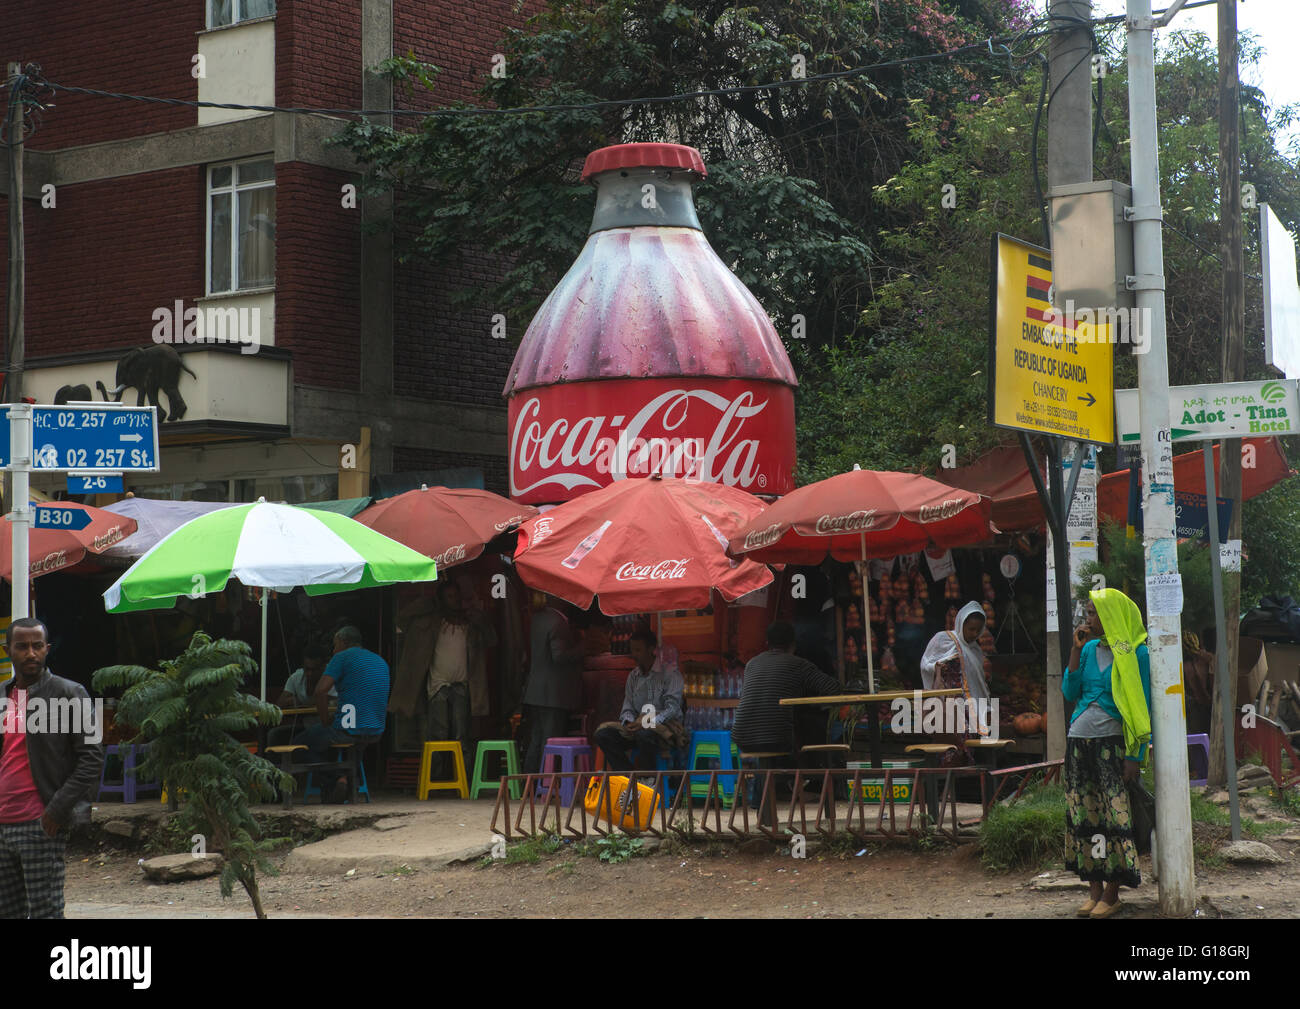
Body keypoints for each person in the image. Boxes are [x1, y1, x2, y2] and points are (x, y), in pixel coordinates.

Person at [0, 618, 104, 918]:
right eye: (22, 647)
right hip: (2, 827)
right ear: (8, 650)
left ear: (47, 649)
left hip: (40, 824)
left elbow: (92, 757)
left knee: (46, 912)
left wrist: (57, 810)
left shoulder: (69, 693)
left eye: (37, 646)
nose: (30, 653)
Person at [1063, 588, 1152, 919]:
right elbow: (1070, 692)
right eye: (1087, 613)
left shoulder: (1135, 653)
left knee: (1116, 820)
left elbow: (1143, 708)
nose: (1088, 619)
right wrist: (1074, 650)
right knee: (1085, 817)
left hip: (1112, 746)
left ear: (1112, 616)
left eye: (1094, 613)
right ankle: (1094, 890)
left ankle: (1113, 894)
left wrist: (1135, 755)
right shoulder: (1086, 650)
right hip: (1079, 742)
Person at [292, 626, 390, 802]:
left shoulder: (341, 657)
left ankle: (338, 777)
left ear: (343, 643)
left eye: (335, 645)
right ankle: (347, 781)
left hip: (348, 730)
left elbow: (320, 692)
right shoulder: (379, 660)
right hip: (376, 730)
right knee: (348, 745)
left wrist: (325, 720)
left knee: (299, 745)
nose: (333, 649)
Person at [733, 621, 842, 756]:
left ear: (767, 643)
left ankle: (778, 776)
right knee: (812, 727)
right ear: (793, 644)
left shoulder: (751, 664)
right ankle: (808, 774)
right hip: (776, 740)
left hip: (742, 737)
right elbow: (834, 688)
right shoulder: (798, 664)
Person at [594, 629, 686, 771]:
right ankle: (628, 777)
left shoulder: (670, 674)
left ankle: (649, 779)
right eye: (632, 650)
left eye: (638, 650)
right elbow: (628, 707)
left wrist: (646, 722)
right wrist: (629, 722)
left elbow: (672, 709)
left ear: (651, 650)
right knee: (603, 735)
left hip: (664, 730)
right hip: (637, 728)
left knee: (644, 734)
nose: (634, 655)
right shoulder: (633, 676)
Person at [522, 594, 585, 773]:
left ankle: (529, 783)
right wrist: (582, 648)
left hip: (535, 690)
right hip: (553, 693)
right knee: (549, 741)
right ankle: (545, 782)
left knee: (536, 740)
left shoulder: (537, 618)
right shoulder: (557, 622)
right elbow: (559, 656)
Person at [919, 600, 990, 702]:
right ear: (961, 624)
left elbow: (979, 684)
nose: (975, 634)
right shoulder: (944, 639)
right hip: (948, 703)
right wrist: (935, 667)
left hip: (972, 705)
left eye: (978, 630)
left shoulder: (976, 650)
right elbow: (925, 663)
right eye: (971, 629)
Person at [267, 644, 335, 749]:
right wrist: (298, 701)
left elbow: (328, 703)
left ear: (324, 666)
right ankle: (276, 765)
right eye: (307, 669)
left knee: (299, 744)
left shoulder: (333, 678)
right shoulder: (296, 677)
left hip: (329, 728)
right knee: (274, 735)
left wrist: (298, 702)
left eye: (315, 670)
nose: (309, 674)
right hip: (306, 726)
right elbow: (279, 704)